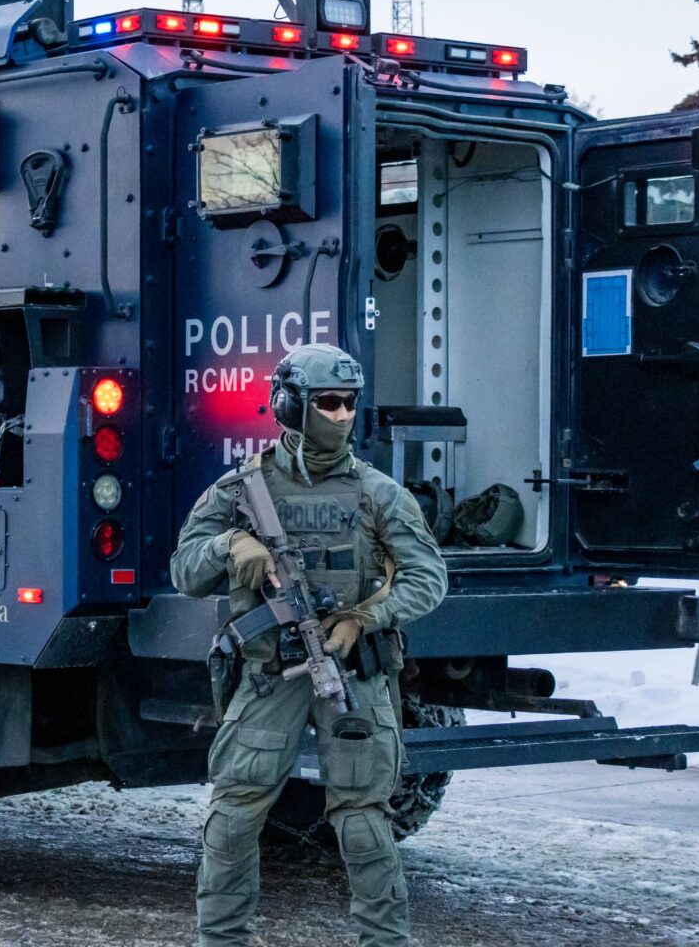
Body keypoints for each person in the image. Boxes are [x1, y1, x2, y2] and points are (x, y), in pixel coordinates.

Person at [171, 344, 448, 947]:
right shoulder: (241, 488)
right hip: (271, 672)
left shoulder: (377, 493)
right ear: (290, 406)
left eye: (350, 403)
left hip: (351, 671)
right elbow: (184, 571)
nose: (343, 415)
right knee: (235, 811)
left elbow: (428, 578)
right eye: (328, 402)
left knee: (362, 816)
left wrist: (363, 619)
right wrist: (230, 547)